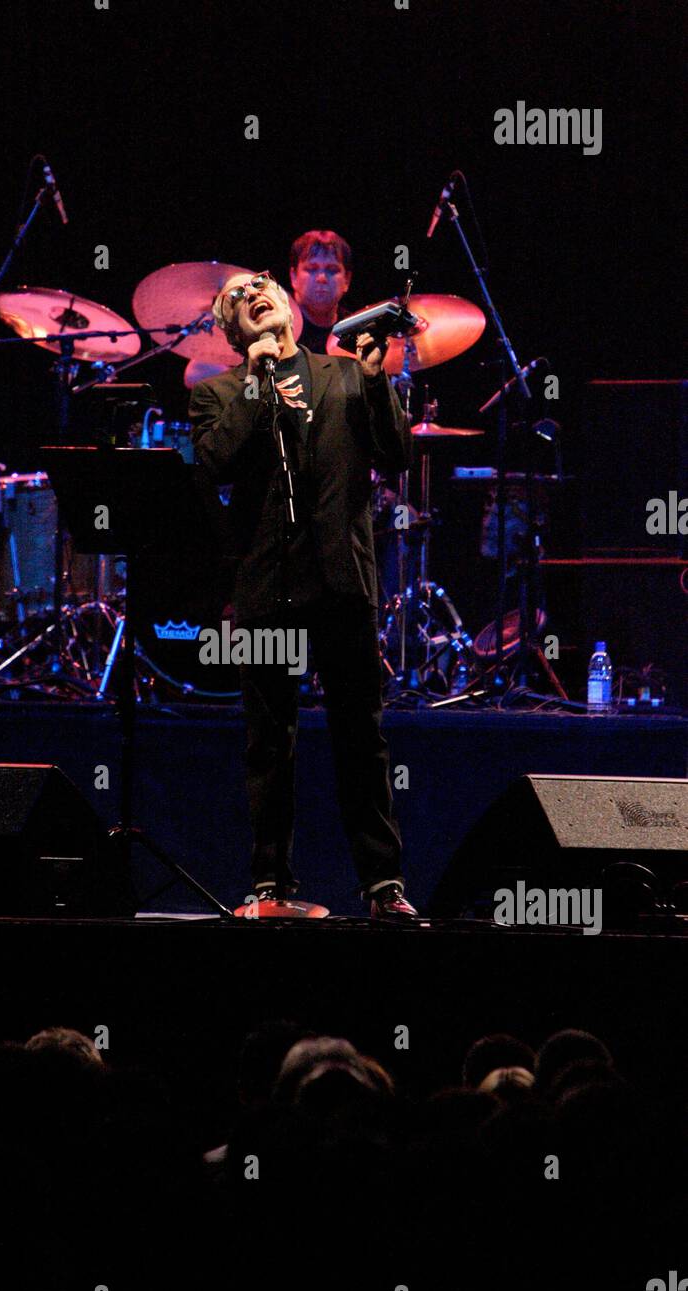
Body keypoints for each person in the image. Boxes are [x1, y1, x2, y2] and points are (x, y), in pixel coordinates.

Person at [189, 269, 417, 919]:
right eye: (236, 297)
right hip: (266, 587)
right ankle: (269, 888)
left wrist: (376, 381)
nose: (252, 293)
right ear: (231, 331)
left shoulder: (345, 375)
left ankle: (382, 886)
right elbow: (217, 464)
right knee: (270, 743)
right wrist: (257, 384)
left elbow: (397, 454)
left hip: (341, 581)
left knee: (359, 738)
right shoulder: (219, 393)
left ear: (287, 304)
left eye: (261, 285)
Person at [289, 229, 353, 353]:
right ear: (294, 277)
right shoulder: (275, 324)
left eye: (332, 269)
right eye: (312, 269)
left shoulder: (354, 330)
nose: (322, 278)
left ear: (347, 280)